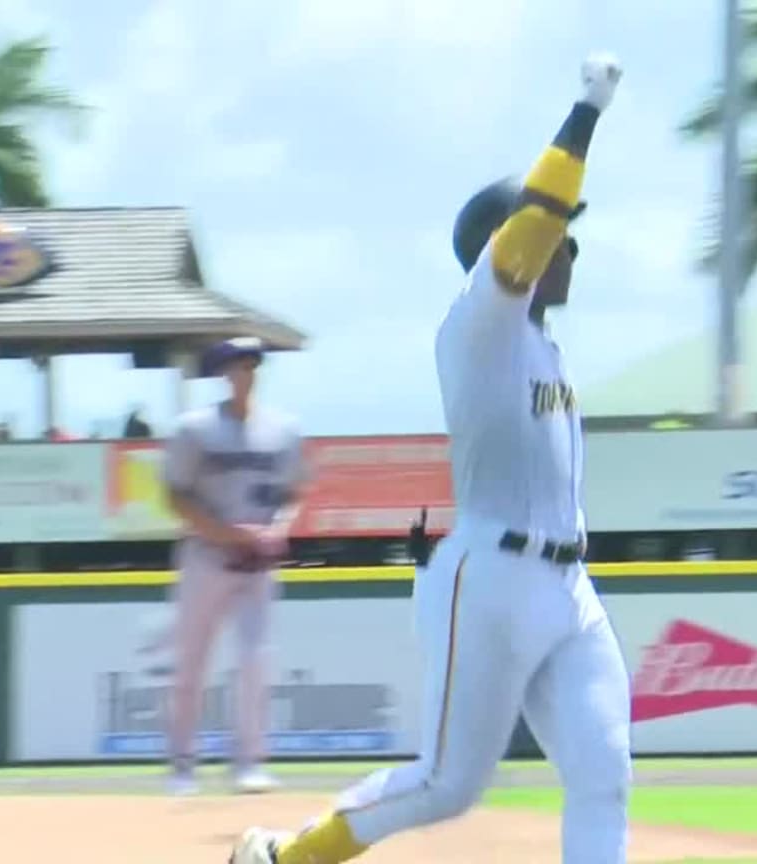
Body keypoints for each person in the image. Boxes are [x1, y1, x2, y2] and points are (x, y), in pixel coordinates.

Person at [227, 51, 631, 864]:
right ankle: (283, 858)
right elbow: (534, 225)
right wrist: (587, 109)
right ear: (502, 249)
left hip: (569, 586)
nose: (571, 251)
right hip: (494, 579)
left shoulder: (543, 349)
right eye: (560, 238)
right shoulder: (480, 325)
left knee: (603, 773)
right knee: (449, 783)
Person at [161, 336, 306, 796]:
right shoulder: (195, 429)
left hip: (257, 564)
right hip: (205, 558)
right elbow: (174, 495)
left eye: (251, 365)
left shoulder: (283, 430)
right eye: (237, 365)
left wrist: (278, 528)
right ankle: (183, 765)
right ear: (223, 373)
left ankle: (248, 763)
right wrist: (226, 534)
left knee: (255, 661)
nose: (245, 372)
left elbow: (293, 495)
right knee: (190, 664)